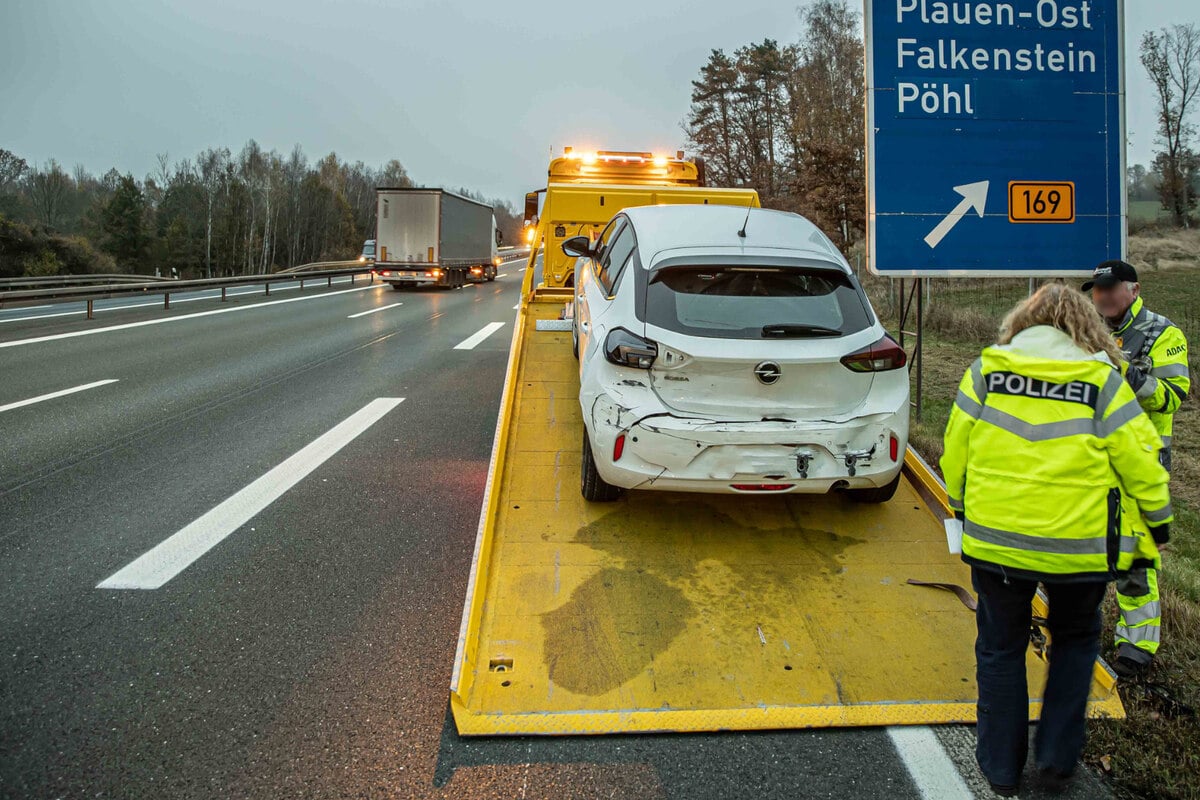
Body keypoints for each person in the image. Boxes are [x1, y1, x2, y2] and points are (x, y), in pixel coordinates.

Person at [941, 283, 1171, 797]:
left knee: (1000, 647)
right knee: (1075, 641)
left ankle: (1000, 768)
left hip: (998, 540)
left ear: (1024, 323)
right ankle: (1057, 760)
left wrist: (960, 506)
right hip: (1079, 545)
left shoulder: (988, 371)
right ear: (1085, 327)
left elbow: (955, 449)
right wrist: (1158, 525)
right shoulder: (1102, 380)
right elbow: (1142, 462)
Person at [1084, 259, 1190, 677]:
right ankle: (1079, 630)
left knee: (1136, 556)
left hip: (1140, 461)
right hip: (1090, 457)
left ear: (1134, 289)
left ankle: (1137, 645)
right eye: (1096, 288)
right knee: (1086, 547)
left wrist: (1122, 371)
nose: (1103, 295)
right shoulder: (1086, 331)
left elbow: (1171, 396)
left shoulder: (1164, 333)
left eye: (1111, 287)